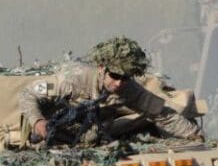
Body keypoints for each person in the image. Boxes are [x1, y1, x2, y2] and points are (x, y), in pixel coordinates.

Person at [19, 37, 203, 145]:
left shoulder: (129, 89)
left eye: (125, 78)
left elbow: (163, 114)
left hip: (93, 137)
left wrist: (194, 134)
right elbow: (28, 93)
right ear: (101, 68)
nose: (118, 84)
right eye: (114, 76)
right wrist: (38, 121)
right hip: (52, 136)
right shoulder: (70, 81)